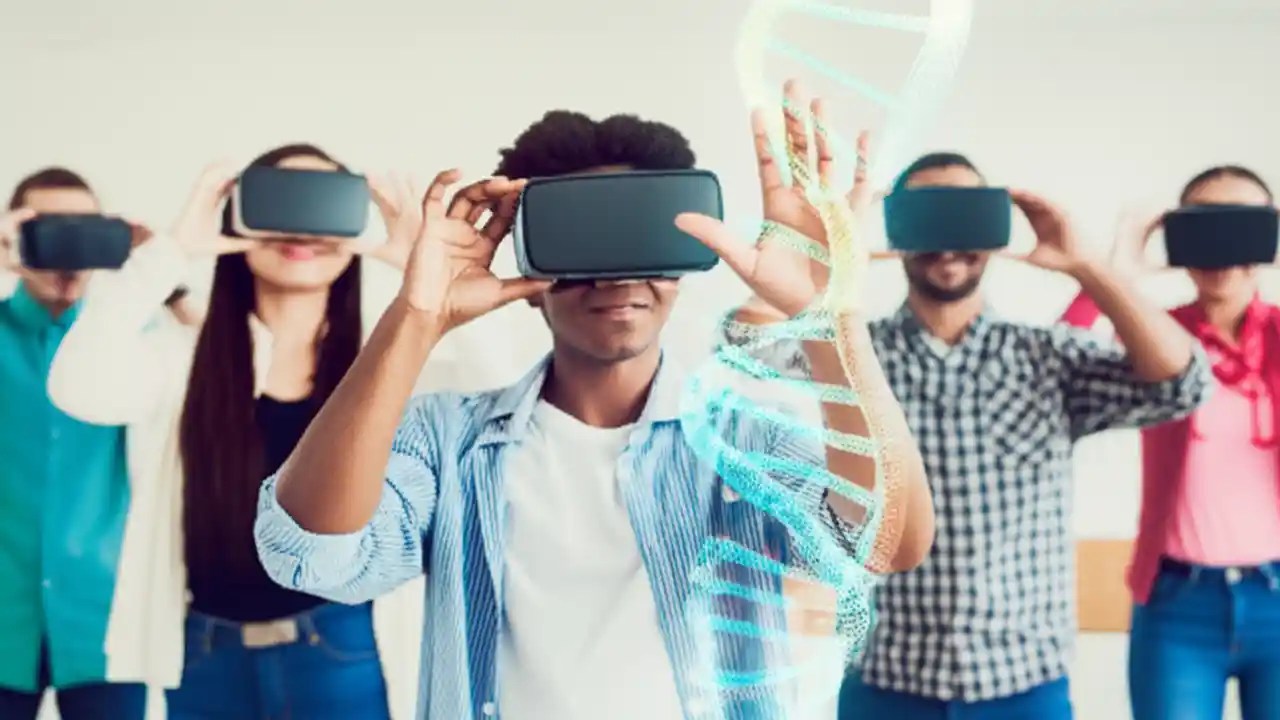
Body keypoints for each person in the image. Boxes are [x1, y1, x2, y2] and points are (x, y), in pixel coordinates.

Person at [253, 81, 935, 719]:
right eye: (588, 240)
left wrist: (829, 316)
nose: (619, 275)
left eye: (641, 236)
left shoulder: (746, 437)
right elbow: (313, 551)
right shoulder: (447, 439)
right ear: (530, 256)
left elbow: (887, 544)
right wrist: (417, 316)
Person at [733, 150, 1214, 719]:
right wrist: (819, 267)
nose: (948, 240)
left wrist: (1087, 266)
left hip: (1025, 684)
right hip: (884, 679)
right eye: (927, 218)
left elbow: (1180, 384)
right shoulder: (854, 355)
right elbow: (746, 364)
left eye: (964, 217)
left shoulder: (1048, 357)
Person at [46, 145, 437, 719]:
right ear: (238, 221)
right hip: (206, 654)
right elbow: (77, 387)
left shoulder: (390, 359)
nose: (296, 228)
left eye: (319, 206)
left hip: (346, 645)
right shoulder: (182, 359)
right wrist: (171, 253)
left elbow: (497, 382)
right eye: (275, 203)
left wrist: (417, 271)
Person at [1059, 165, 1280, 720]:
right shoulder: (1157, 336)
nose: (1224, 244)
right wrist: (1118, 270)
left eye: (1244, 226)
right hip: (1178, 600)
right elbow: (1057, 365)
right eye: (1205, 226)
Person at [0, 168, 147, 719]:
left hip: (106, 621)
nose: (66, 251)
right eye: (47, 231)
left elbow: (230, 369)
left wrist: (161, 276)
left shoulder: (137, 344)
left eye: (82, 231)